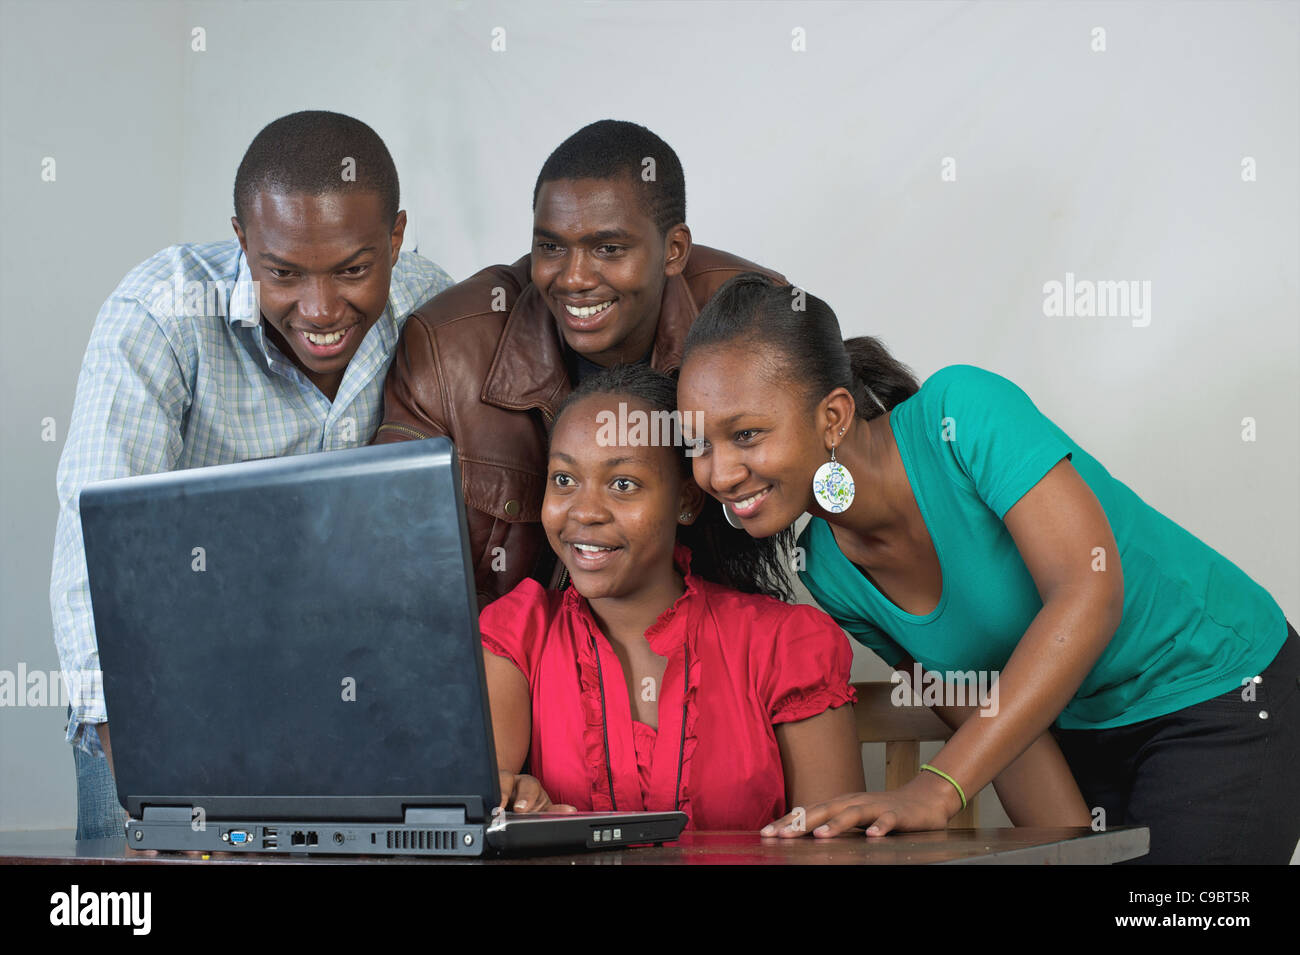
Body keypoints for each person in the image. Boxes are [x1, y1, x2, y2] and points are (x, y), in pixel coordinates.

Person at [675, 272, 1300, 863]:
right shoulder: (828, 570)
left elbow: (1089, 589)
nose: (719, 472)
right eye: (700, 443)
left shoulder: (962, 414)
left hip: (1220, 690)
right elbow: (989, 718)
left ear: (833, 416)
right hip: (1084, 731)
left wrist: (940, 785)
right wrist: (1070, 850)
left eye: (747, 435)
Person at [50, 110, 453, 840]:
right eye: (284, 273)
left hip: (351, 699)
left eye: (355, 269)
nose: (322, 309)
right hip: (166, 697)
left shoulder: (433, 306)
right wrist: (151, 778)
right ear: (242, 242)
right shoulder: (159, 316)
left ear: (396, 237)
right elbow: (94, 551)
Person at [373, 120, 786, 608]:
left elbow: (828, 465)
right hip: (522, 660)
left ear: (673, 250)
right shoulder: (448, 349)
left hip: (711, 643)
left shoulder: (751, 317)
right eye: (550, 247)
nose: (572, 278)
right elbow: (393, 554)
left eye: (608, 249)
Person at [478, 365, 864, 829]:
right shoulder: (521, 632)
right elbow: (482, 793)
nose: (583, 511)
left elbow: (834, 848)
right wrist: (509, 799)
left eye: (623, 484)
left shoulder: (785, 643)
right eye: (564, 480)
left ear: (686, 500)